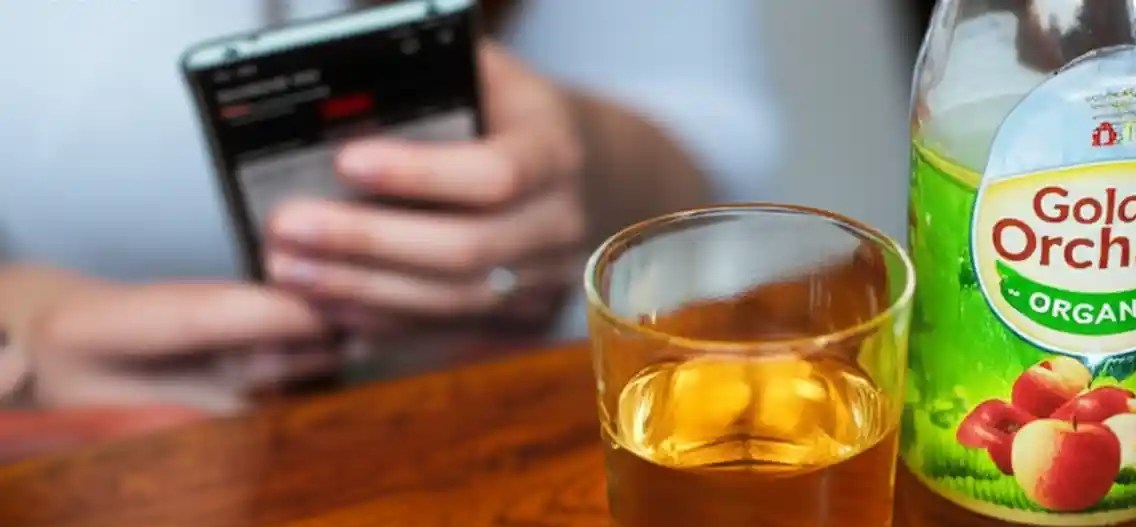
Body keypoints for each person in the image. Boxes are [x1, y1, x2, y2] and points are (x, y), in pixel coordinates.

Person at [0, 0, 781, 421]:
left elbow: (712, 139)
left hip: (498, 436)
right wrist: (18, 335)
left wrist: (575, 167)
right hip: (83, 495)